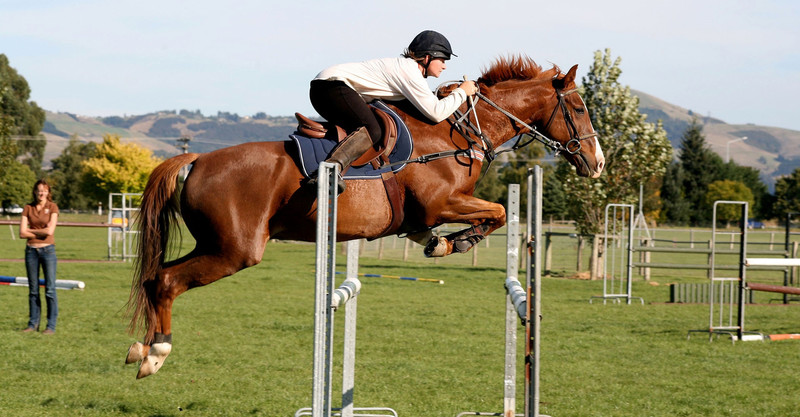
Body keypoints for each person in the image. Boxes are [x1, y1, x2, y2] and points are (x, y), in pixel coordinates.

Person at [309, 29, 478, 192]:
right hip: (330, 87)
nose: (445, 66)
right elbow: (435, 113)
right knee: (372, 129)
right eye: (443, 59)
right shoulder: (410, 72)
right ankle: (330, 171)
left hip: (327, 87)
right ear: (428, 57)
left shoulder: (407, 71)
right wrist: (463, 91)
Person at [19, 179, 60, 334]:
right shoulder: (28, 208)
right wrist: (40, 230)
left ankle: (50, 326)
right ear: (34, 192)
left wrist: (32, 231)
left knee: (50, 290)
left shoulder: (53, 207)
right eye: (39, 190)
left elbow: (50, 232)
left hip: (48, 251)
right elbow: (22, 233)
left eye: (44, 190)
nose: (41, 193)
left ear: (48, 192)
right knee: (33, 290)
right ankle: (32, 324)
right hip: (31, 252)